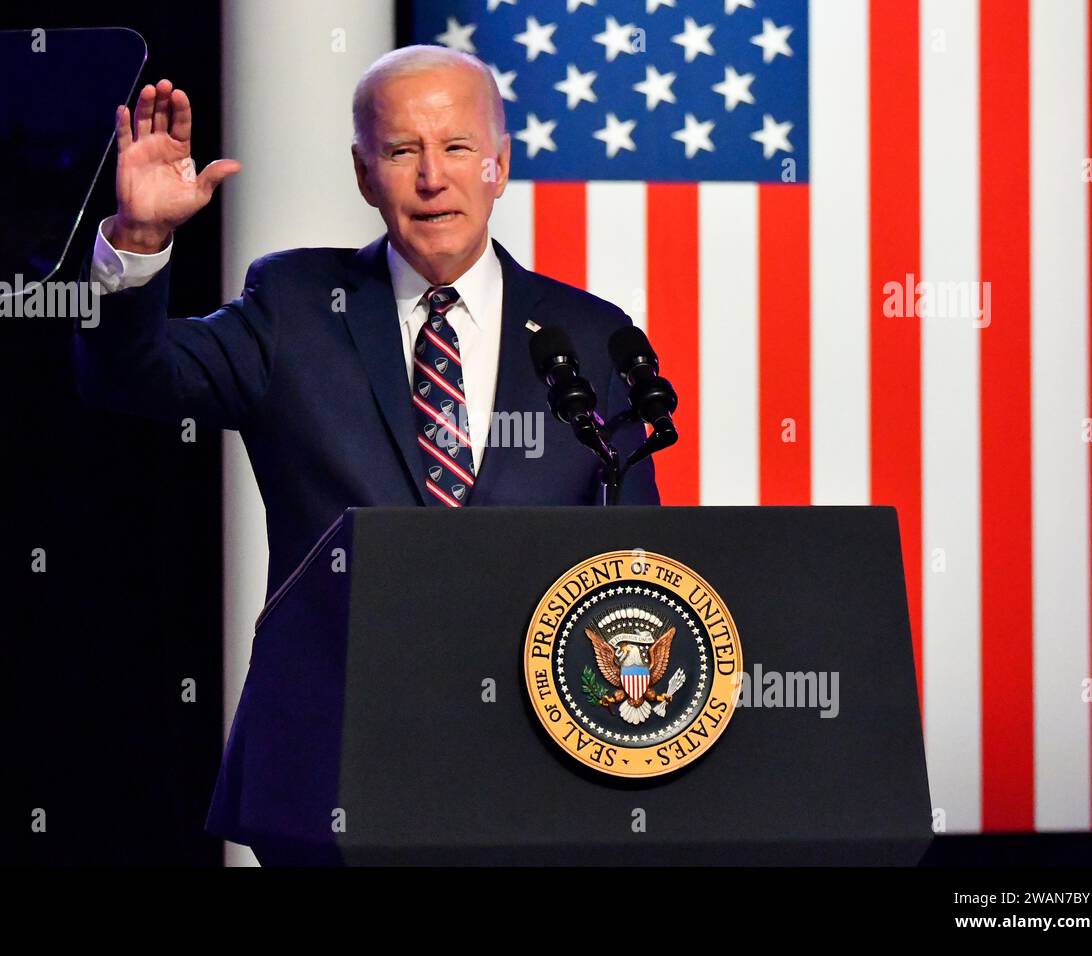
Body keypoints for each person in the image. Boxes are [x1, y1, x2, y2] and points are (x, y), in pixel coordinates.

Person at [73, 45, 658, 602]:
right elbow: (128, 376)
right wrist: (141, 239)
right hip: (337, 700)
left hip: (526, 700)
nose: (432, 178)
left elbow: (639, 563)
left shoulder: (590, 339)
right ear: (364, 173)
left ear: (497, 166)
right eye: (402, 151)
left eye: (457, 148)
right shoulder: (293, 307)